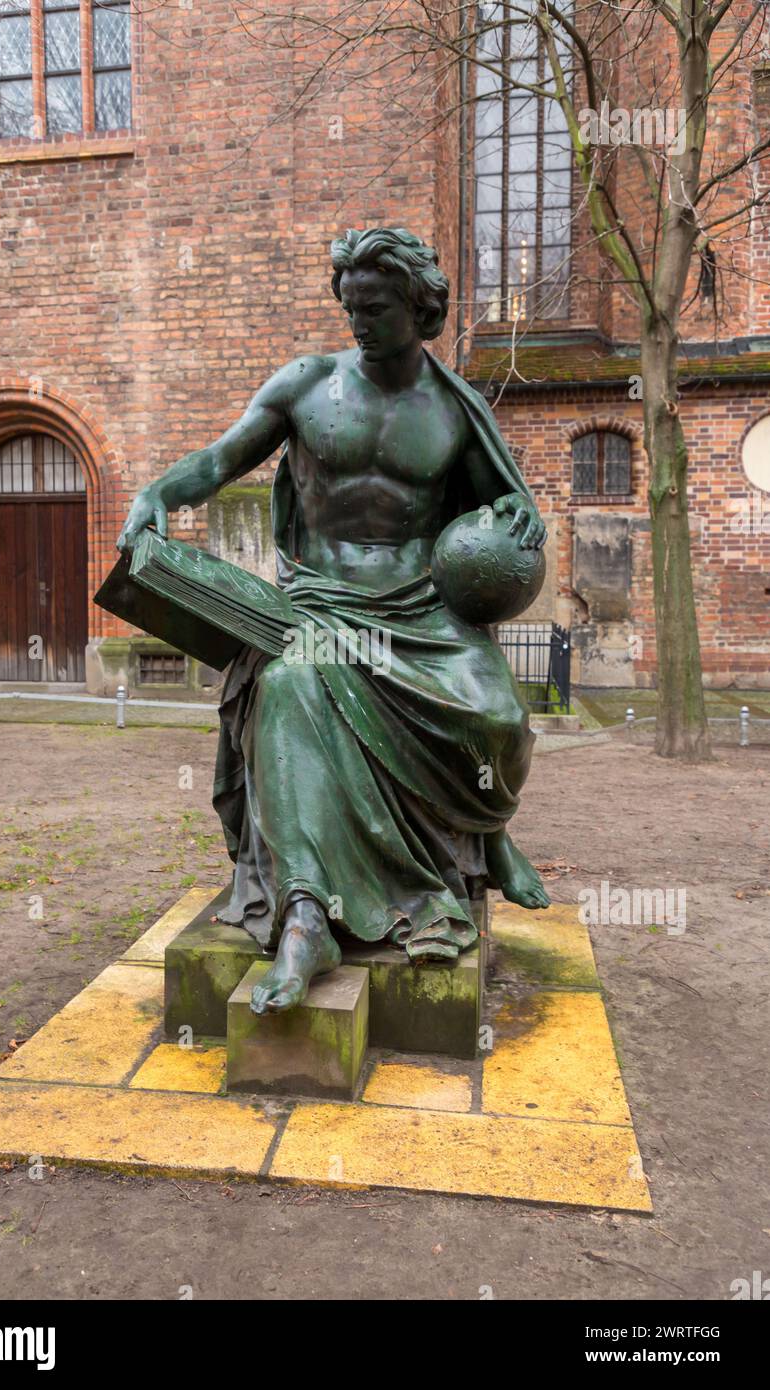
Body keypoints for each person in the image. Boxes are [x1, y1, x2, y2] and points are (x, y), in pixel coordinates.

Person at [118, 227, 549, 1015]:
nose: (359, 322)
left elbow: (501, 500)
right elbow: (218, 462)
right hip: (321, 598)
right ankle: (306, 914)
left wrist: (520, 513)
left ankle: (483, 831)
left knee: (501, 718)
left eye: (376, 308)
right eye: (351, 306)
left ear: (421, 310)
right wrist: (160, 494)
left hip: (420, 606)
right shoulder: (308, 385)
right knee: (287, 687)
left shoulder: (457, 410)